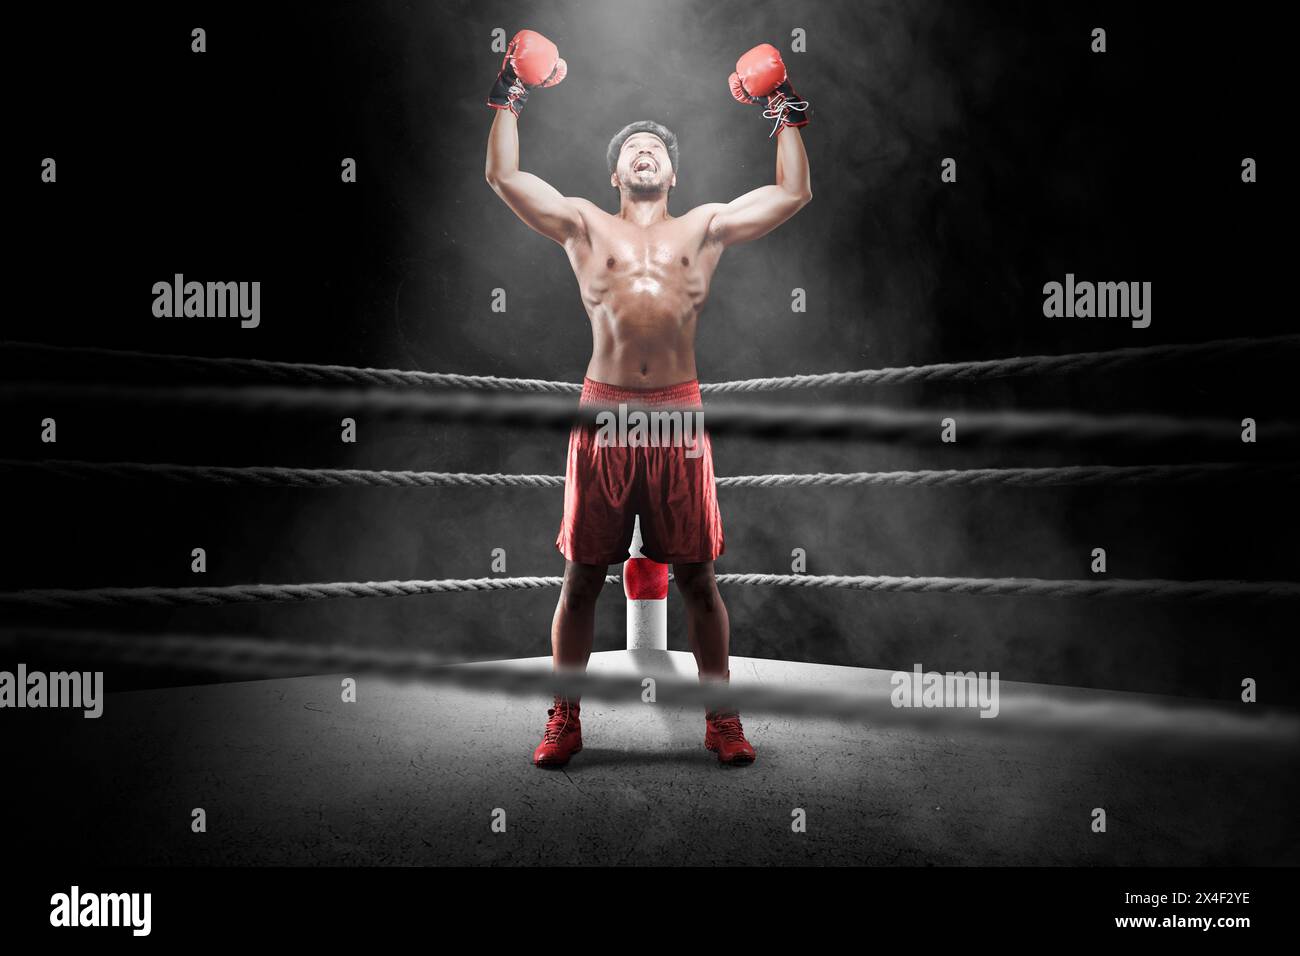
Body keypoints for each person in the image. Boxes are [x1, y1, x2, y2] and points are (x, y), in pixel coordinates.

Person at [484, 31, 812, 767]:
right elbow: (504, 177)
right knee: (581, 579)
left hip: (677, 415)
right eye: (631, 147)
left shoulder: (704, 226)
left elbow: (794, 193)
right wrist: (509, 91)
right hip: (602, 413)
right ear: (615, 175)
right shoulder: (581, 223)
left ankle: (721, 720)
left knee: (697, 576)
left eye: (655, 148)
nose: (643, 151)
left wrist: (785, 109)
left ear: (671, 172)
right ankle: (564, 718)